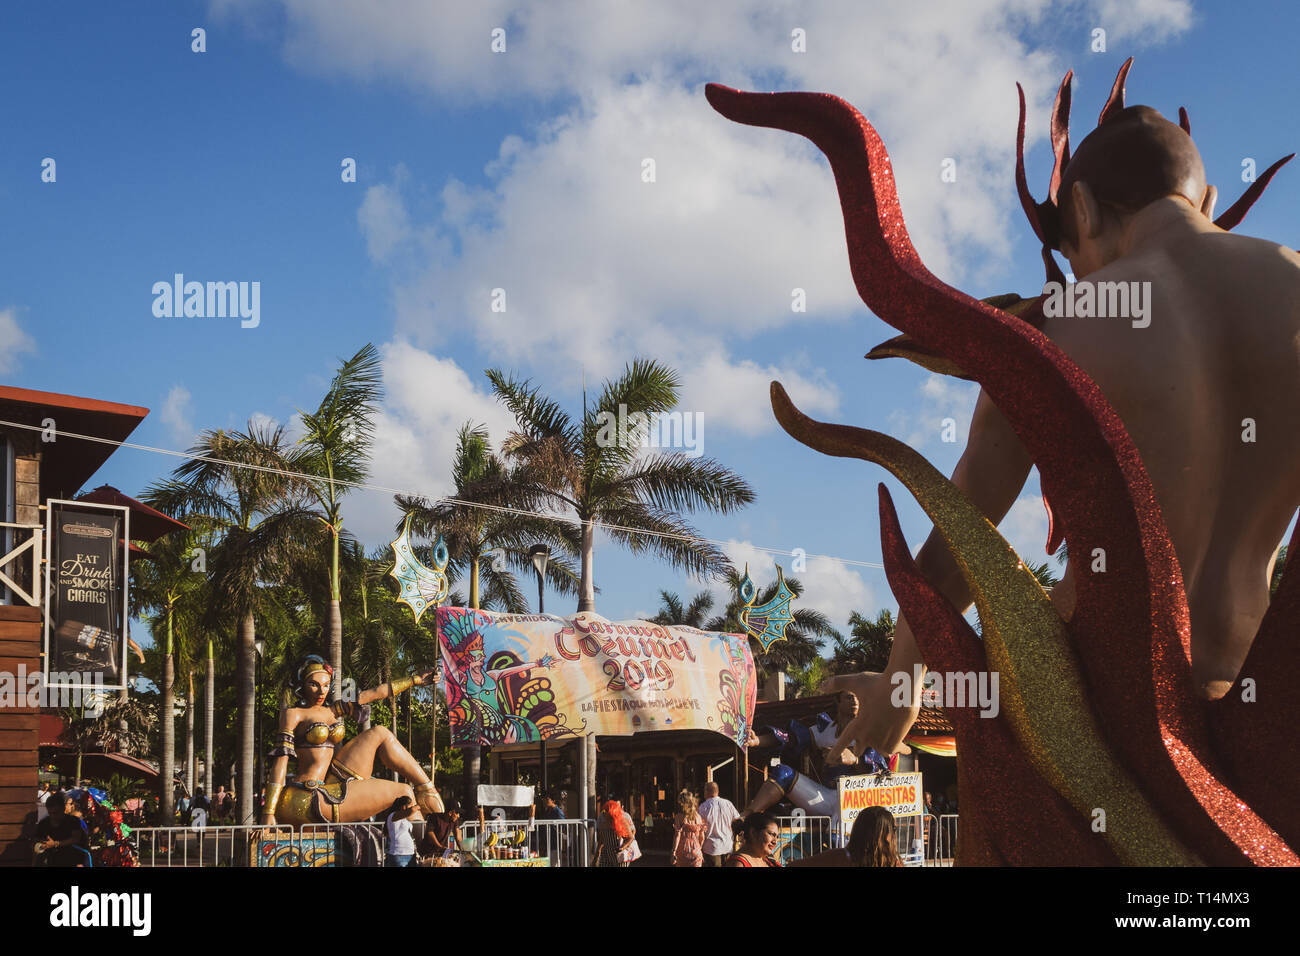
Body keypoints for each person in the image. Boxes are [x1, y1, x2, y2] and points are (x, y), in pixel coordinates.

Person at [821, 66, 1300, 764]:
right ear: (1209, 199)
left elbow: (963, 529)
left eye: (1076, 257)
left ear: (1081, 211)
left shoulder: (1060, 325)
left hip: (1093, 735)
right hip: (1264, 734)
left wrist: (901, 682)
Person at [261, 654, 444, 827]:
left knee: (379, 732)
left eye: (325, 685)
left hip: (329, 785)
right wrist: (268, 812)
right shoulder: (293, 714)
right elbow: (281, 761)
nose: (321, 691)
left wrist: (415, 680)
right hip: (305, 798)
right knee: (404, 792)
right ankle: (427, 853)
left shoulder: (331, 711)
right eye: (314, 684)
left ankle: (428, 790)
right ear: (302, 685)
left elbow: (374, 693)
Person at [33, 791, 90, 867]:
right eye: (50, 813)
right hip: (52, 861)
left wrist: (55, 844)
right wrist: (40, 843)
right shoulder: (44, 823)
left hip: (73, 860)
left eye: (56, 813)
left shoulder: (73, 821)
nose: (53, 816)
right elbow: (37, 838)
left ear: (63, 809)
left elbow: (75, 838)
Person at [698, 781, 740, 867]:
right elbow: (737, 820)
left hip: (711, 847)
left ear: (707, 791)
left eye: (704, 791)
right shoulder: (728, 804)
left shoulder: (703, 807)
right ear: (717, 791)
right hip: (727, 845)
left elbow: (698, 826)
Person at [594, 799, 635, 867]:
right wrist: (597, 854)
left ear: (613, 812)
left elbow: (631, 838)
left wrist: (623, 847)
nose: (603, 813)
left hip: (619, 855)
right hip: (606, 853)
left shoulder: (623, 822)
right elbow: (601, 839)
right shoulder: (604, 823)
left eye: (606, 811)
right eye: (604, 811)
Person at [671, 789, 706, 867]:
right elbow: (702, 837)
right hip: (696, 850)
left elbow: (677, 835)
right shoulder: (698, 817)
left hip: (683, 850)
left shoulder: (679, 817)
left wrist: (674, 851)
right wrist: (699, 848)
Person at [384, 795, 418, 867]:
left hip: (410, 853)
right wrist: (418, 806)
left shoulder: (404, 819)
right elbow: (412, 810)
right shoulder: (393, 815)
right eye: (410, 805)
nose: (412, 807)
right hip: (399, 854)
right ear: (404, 806)